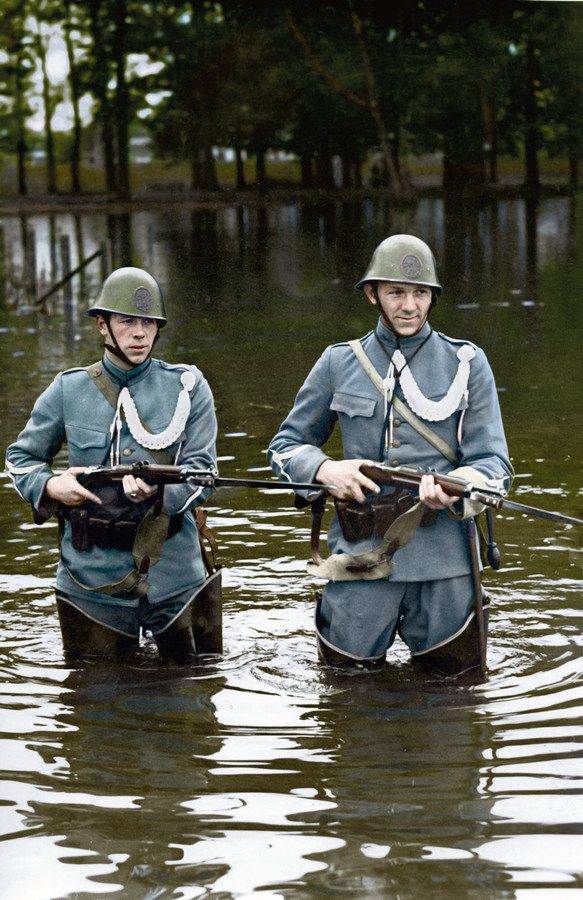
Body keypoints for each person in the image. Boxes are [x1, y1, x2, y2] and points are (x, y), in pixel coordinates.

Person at [268, 234, 513, 675]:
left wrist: (459, 489)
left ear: (433, 297)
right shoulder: (337, 362)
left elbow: (495, 464)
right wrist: (325, 468)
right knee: (347, 693)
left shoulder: (468, 363)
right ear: (372, 294)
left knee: (454, 702)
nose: (409, 306)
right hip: (362, 558)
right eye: (396, 292)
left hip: (446, 563)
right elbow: (285, 447)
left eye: (420, 293)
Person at [6, 266, 219, 665]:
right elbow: (20, 460)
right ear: (103, 326)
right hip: (90, 578)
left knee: (190, 705)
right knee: (95, 700)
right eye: (127, 322)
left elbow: (204, 471)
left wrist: (160, 492)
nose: (139, 333)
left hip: (174, 573)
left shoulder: (188, 386)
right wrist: (51, 487)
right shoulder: (69, 389)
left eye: (148, 323)